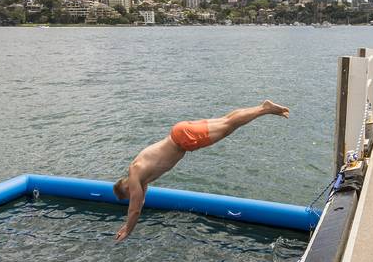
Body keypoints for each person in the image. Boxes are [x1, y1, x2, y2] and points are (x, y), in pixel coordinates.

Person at [112, 100, 289, 241]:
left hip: (184, 139)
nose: (133, 195)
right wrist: (135, 209)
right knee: (226, 121)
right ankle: (262, 107)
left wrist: (128, 229)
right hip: (180, 132)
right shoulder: (140, 174)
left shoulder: (135, 177)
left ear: (126, 188)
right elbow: (140, 202)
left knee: (228, 125)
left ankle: (265, 109)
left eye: (129, 195)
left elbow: (134, 209)